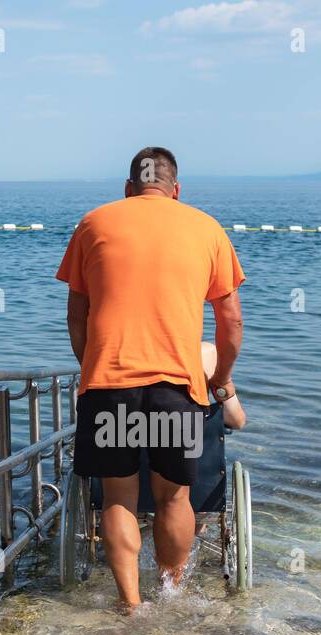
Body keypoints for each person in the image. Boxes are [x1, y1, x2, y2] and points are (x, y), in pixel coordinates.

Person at [58, 146, 244, 609]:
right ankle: (170, 589)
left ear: (128, 187)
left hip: (109, 384)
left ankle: (131, 605)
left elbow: (76, 315)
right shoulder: (206, 228)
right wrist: (220, 378)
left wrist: (91, 367)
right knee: (175, 499)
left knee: (118, 499)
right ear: (175, 189)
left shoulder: (94, 223)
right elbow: (232, 322)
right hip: (177, 389)